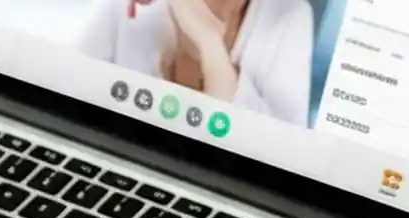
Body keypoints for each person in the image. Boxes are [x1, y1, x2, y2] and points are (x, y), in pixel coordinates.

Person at [75, 0, 314, 127]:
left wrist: (211, 46)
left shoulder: (290, 17)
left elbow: (281, 160)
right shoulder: (125, 7)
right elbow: (68, 92)